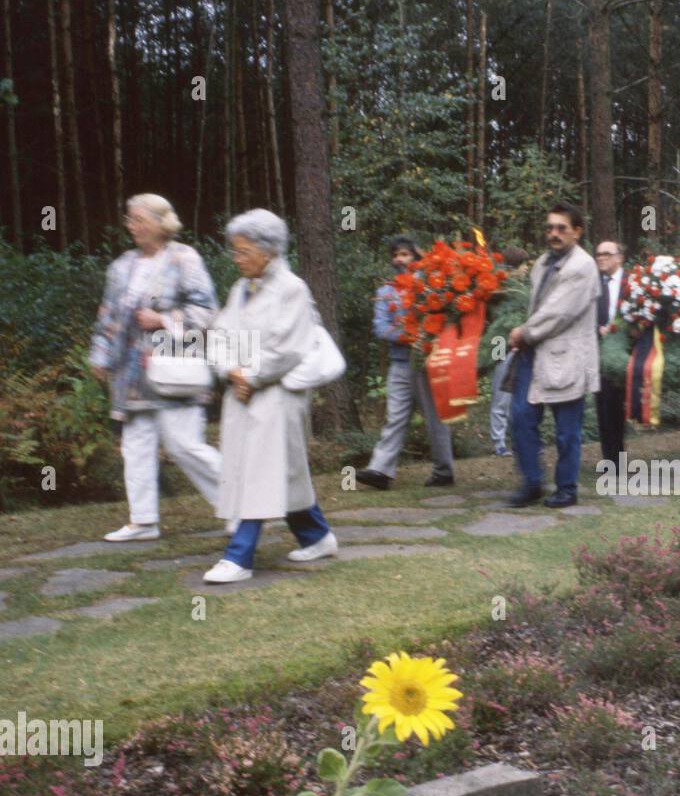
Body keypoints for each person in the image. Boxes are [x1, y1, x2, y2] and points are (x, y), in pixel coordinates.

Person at [203, 209, 338, 583]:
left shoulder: (292, 289)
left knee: (259, 473)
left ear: (269, 251)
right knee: (281, 472)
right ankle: (317, 535)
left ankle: (239, 557)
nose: (237, 257)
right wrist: (229, 370)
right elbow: (219, 335)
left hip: (278, 395)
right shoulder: (238, 290)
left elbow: (289, 348)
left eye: (244, 251)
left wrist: (252, 375)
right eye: (236, 250)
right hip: (242, 393)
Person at [90, 193, 224, 543]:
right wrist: (100, 354)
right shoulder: (122, 266)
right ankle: (143, 521)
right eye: (129, 219)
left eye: (138, 219)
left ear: (160, 223)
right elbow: (107, 316)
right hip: (130, 374)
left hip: (174, 364)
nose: (131, 226)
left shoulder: (184, 258)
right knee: (135, 445)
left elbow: (208, 312)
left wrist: (163, 319)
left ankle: (242, 505)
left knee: (184, 446)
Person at [507, 202, 600, 508]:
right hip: (533, 354)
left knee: (567, 430)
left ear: (577, 231)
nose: (554, 233)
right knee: (520, 418)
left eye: (562, 228)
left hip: (566, 357)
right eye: (550, 227)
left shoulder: (582, 267)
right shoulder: (543, 263)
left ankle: (567, 488)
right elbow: (537, 309)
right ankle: (532, 482)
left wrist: (523, 333)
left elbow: (558, 313)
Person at [357, 237, 455, 491]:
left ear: (415, 258)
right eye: (396, 255)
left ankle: (444, 471)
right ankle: (380, 471)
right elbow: (381, 328)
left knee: (435, 418)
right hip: (400, 364)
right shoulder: (386, 292)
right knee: (395, 417)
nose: (399, 259)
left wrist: (427, 336)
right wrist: (410, 335)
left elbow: (445, 320)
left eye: (405, 254)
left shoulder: (431, 286)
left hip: (427, 364)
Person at [488, 247, 533, 456]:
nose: (527, 269)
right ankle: (499, 442)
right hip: (498, 342)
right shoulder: (497, 287)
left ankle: (520, 441)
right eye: (524, 265)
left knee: (520, 395)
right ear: (515, 266)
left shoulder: (523, 288)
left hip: (520, 344)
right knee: (501, 392)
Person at [593, 239, 631, 473]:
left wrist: (622, 329)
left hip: (627, 352)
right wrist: (596, 327)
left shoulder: (634, 283)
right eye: (598, 254)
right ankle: (612, 460)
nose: (601, 258)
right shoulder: (592, 284)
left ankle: (620, 457)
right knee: (604, 406)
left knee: (623, 407)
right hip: (599, 353)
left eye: (607, 254)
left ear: (619, 257)